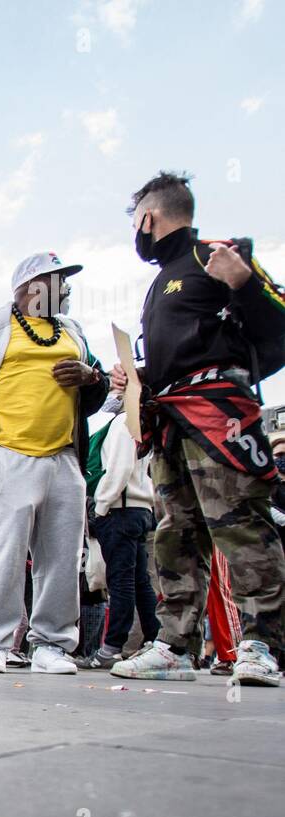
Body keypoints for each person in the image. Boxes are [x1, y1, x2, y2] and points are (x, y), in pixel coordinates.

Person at [111, 172, 284, 687]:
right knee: (176, 533)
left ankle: (261, 645)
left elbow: (278, 324)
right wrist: (132, 378)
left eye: (136, 220)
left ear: (149, 217)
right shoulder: (161, 280)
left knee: (238, 524)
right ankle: (174, 646)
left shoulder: (220, 254)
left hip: (217, 415)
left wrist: (246, 283)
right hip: (169, 420)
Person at [0, 252, 108, 675]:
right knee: (5, 548)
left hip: (64, 456)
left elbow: (100, 383)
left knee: (62, 554)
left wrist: (91, 379)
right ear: (29, 286)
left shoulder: (72, 332)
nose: (65, 290)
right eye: (57, 281)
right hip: (10, 452)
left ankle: (52, 643)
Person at [81, 400, 160, 669]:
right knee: (139, 581)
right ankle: (155, 638)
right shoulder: (142, 424)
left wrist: (101, 507)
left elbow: (118, 469)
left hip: (120, 509)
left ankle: (112, 646)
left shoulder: (123, 423)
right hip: (139, 508)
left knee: (120, 581)